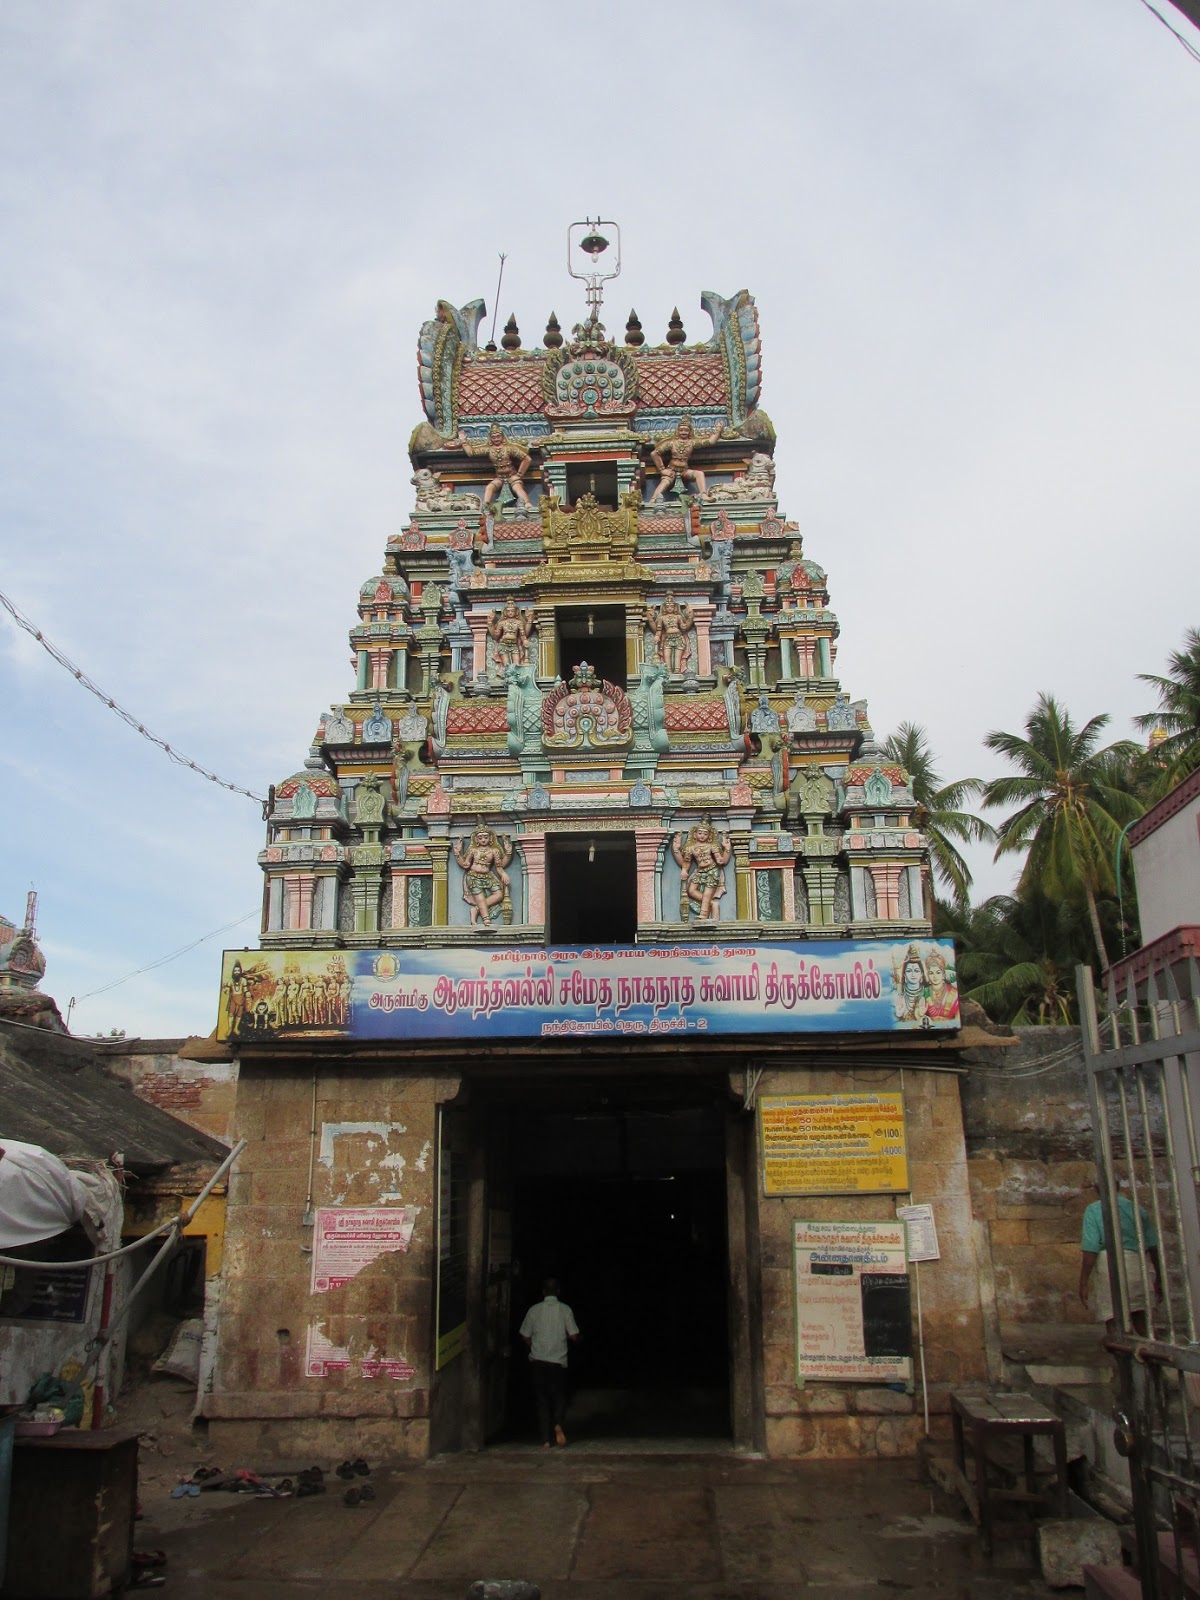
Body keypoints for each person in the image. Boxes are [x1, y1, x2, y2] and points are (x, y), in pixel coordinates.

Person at [1078, 1177, 1163, 1337]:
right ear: (1117, 1187)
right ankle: (1155, 1358)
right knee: (1142, 1322)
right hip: (1136, 1265)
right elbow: (1153, 1245)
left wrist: (1083, 1282)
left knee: (1114, 1322)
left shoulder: (1094, 1210)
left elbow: (1091, 1249)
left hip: (1109, 1267)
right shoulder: (1136, 1209)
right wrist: (1159, 1276)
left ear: (1096, 1190)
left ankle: (1125, 1359)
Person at [519, 1278, 580, 1448]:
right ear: (558, 1292)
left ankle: (545, 1440)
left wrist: (535, 1345)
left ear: (543, 1292)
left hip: (538, 1361)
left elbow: (524, 1336)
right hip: (558, 1362)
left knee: (542, 1400)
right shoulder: (565, 1310)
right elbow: (574, 1335)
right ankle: (558, 1423)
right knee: (559, 1396)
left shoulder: (534, 1310)